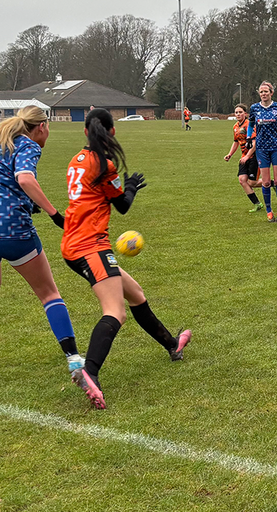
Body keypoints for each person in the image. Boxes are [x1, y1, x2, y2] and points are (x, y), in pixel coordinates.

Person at [0, 106, 98, 406]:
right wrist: (55, 215)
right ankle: (75, 360)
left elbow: (1, 182)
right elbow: (24, 178)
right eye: (47, 127)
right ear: (40, 127)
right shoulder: (26, 145)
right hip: (10, 229)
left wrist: (27, 202)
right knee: (49, 293)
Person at [61, 109, 192, 408]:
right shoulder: (104, 165)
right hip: (90, 247)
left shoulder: (76, 161)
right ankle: (89, 372)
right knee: (115, 312)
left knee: (136, 295)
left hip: (72, 243)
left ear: (85, 132)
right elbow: (122, 205)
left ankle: (172, 345)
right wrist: (130, 185)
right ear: (112, 132)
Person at [247, 81, 277, 222]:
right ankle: (269, 211)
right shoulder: (254, 108)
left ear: (271, 93)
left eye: (266, 91)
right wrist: (249, 137)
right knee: (266, 182)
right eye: (261, 92)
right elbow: (250, 124)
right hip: (261, 148)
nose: (263, 94)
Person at [225, 104, 263, 212]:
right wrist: (230, 154)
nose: (238, 114)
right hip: (244, 157)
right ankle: (257, 204)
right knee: (242, 180)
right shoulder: (235, 127)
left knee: (252, 183)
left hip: (254, 156)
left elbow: (255, 143)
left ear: (245, 114)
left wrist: (247, 156)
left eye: (240, 112)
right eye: (236, 112)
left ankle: (271, 183)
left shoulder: (249, 125)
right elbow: (236, 142)